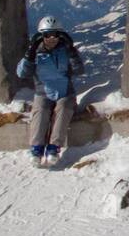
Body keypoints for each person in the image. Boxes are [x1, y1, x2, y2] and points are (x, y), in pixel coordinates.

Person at [16, 16, 85, 168]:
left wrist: (72, 52)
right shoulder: (36, 52)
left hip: (65, 91)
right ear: (42, 36)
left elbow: (79, 70)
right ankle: (36, 149)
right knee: (40, 111)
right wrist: (29, 55)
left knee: (64, 109)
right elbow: (22, 73)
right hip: (43, 91)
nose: (51, 38)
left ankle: (54, 148)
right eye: (47, 35)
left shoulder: (65, 51)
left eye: (55, 34)